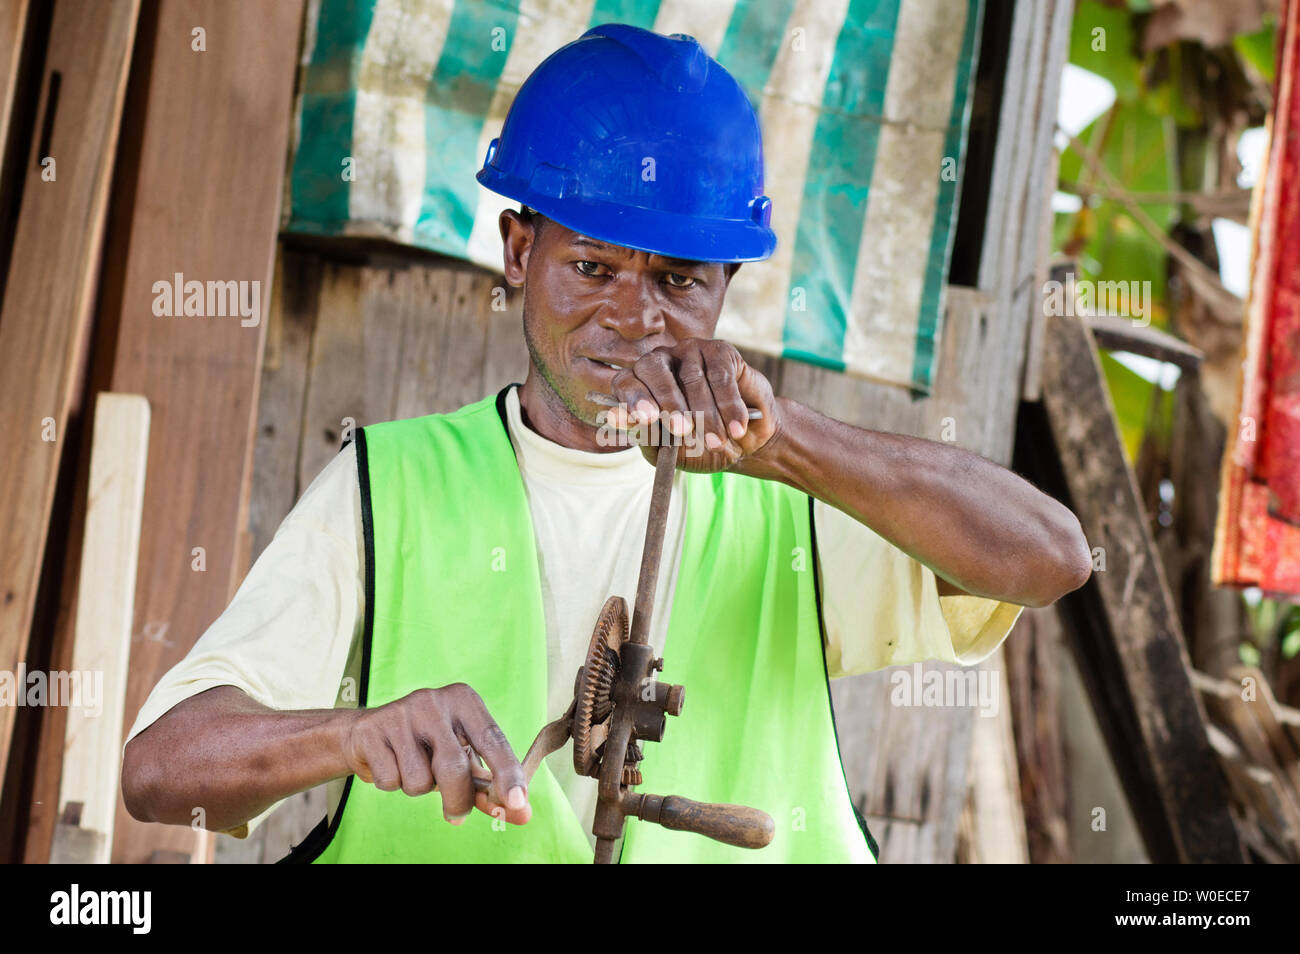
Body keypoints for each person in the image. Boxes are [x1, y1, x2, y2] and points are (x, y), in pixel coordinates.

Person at [121, 23, 1091, 863]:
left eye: (677, 282)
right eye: (590, 264)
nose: (632, 318)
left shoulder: (797, 500)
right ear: (516, 252)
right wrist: (348, 735)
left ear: (724, 290)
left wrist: (787, 442)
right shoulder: (390, 490)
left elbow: (1049, 560)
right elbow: (163, 772)